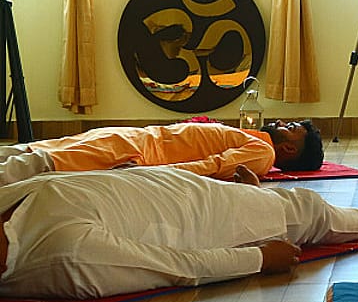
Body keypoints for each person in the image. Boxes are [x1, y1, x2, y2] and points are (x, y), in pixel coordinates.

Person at [0, 164, 358, 299]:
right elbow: (175, 267)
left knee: (272, 202)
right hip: (201, 217)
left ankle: (248, 193)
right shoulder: (67, 257)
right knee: (304, 211)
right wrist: (259, 258)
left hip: (161, 185)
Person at [0, 119, 326, 185]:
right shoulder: (254, 137)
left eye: (290, 127)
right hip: (137, 138)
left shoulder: (263, 153)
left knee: (44, 161)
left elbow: (211, 167)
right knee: (38, 149)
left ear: (288, 148)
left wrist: (150, 174)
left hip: (139, 151)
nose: (281, 122)